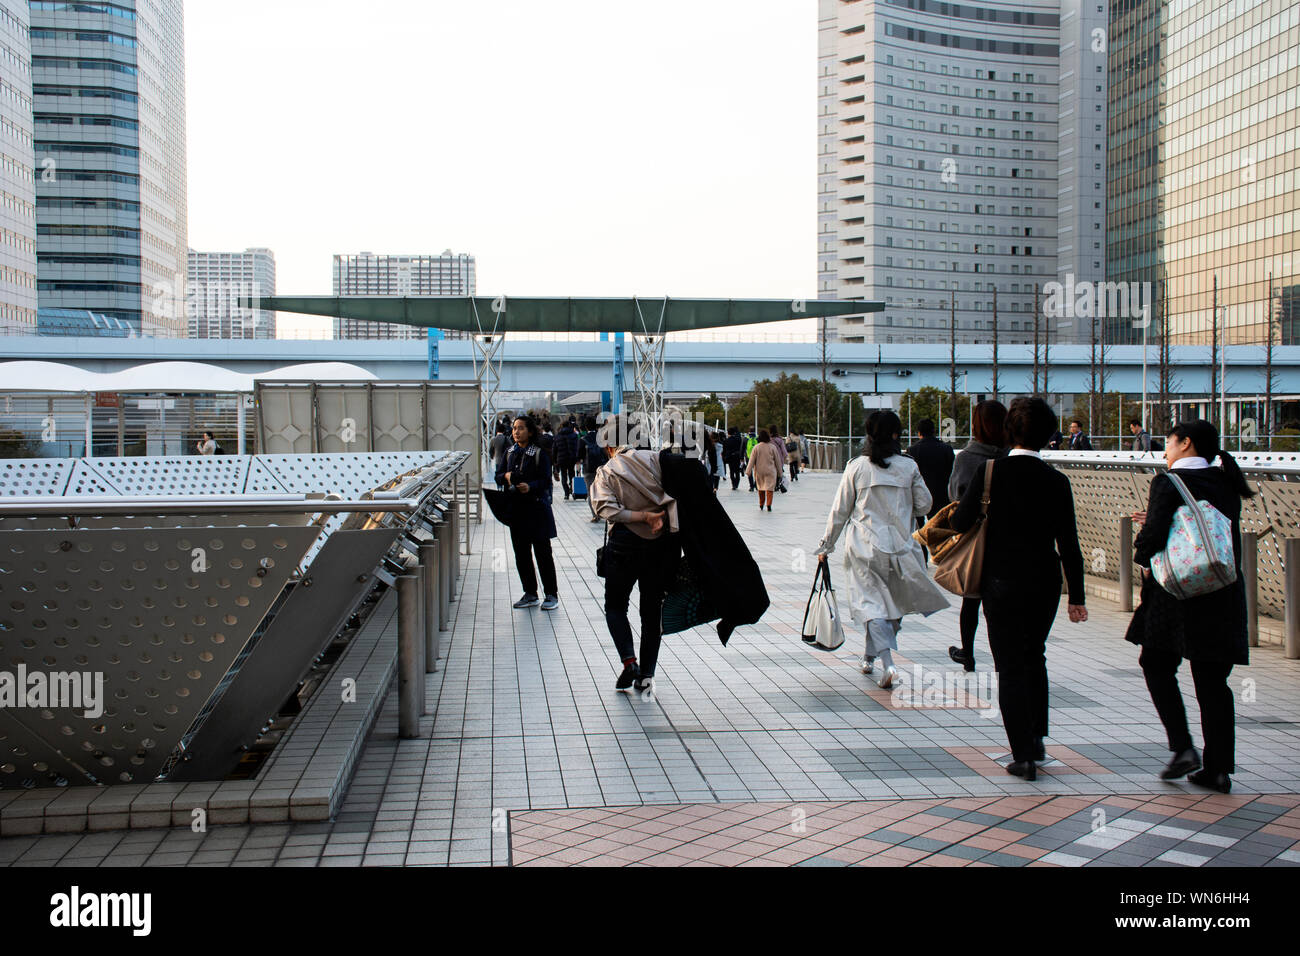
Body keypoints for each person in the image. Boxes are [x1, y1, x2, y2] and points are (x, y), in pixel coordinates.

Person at [950, 397, 1087, 780]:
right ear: (1048, 436)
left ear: (1010, 431)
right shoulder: (1057, 481)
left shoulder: (991, 472)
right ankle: (1038, 738)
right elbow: (1070, 544)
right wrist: (1077, 597)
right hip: (1045, 581)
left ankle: (1022, 754)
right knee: (1035, 657)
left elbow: (961, 522)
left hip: (1000, 581)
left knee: (1008, 666)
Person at [1127, 420, 1251, 793]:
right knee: (1213, 681)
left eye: (1169, 441)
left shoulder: (1168, 481)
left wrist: (1142, 544)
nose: (1166, 448)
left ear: (1185, 443)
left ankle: (1182, 747)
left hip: (1178, 593)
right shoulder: (1226, 479)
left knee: (1156, 663)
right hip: (1222, 590)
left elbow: (1154, 538)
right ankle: (1218, 769)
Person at [815, 410, 947, 689]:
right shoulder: (908, 466)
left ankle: (881, 661)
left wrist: (826, 545)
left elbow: (840, 510)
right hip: (900, 547)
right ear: (897, 434)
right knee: (893, 607)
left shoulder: (856, 466)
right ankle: (874, 658)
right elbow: (925, 505)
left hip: (864, 546)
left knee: (871, 605)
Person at [590, 416, 679, 693]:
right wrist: (657, 517)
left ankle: (630, 663)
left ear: (608, 445)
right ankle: (646, 675)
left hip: (624, 545)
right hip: (660, 546)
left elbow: (605, 508)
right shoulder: (658, 461)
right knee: (652, 612)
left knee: (616, 606)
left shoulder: (607, 470)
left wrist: (640, 516)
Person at [945, 400, 1008, 673]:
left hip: (977, 538)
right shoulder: (1010, 457)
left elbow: (955, 496)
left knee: (971, 598)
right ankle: (1001, 658)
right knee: (1000, 608)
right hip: (1008, 541)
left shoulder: (966, 458)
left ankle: (967, 653)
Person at [495, 415, 560, 610]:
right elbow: (498, 476)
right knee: (521, 554)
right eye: (514, 428)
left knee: (543, 553)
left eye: (521, 428)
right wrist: (506, 476)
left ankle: (551, 594)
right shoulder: (509, 452)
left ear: (530, 432)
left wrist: (529, 486)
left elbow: (546, 481)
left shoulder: (539, 454)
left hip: (537, 510)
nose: (516, 431)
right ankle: (530, 592)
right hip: (517, 511)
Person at [906, 419, 955, 521]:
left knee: (919, 531)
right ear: (933, 431)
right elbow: (952, 474)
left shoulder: (912, 450)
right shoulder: (947, 449)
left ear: (919, 433)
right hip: (942, 497)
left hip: (920, 496)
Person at [745, 428, 781, 511]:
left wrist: (748, 471)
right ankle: (769, 504)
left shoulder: (756, 447)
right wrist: (780, 472)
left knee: (760, 487)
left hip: (759, 471)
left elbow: (751, 460)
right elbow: (777, 461)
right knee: (769, 488)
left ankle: (761, 504)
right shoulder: (772, 447)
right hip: (770, 471)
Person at [554, 417, 581, 499]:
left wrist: (555, 460)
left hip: (561, 459)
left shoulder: (558, 436)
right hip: (571, 458)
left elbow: (554, 449)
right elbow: (577, 447)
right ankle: (571, 488)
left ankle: (566, 493)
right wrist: (577, 458)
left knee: (563, 475)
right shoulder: (574, 435)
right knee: (571, 474)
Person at [489, 419, 511, 489]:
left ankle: (499, 487)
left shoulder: (493, 439)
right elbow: (511, 448)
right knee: (505, 474)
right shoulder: (506, 438)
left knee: (498, 474)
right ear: (504, 431)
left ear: (496, 431)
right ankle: (505, 487)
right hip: (506, 461)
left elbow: (490, 450)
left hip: (497, 460)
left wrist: (492, 456)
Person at [723, 426, 744, 491]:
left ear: (728, 433)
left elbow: (725, 450)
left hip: (730, 457)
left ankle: (733, 484)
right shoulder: (738, 439)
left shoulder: (726, 440)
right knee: (737, 471)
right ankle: (737, 483)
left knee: (731, 471)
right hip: (737, 456)